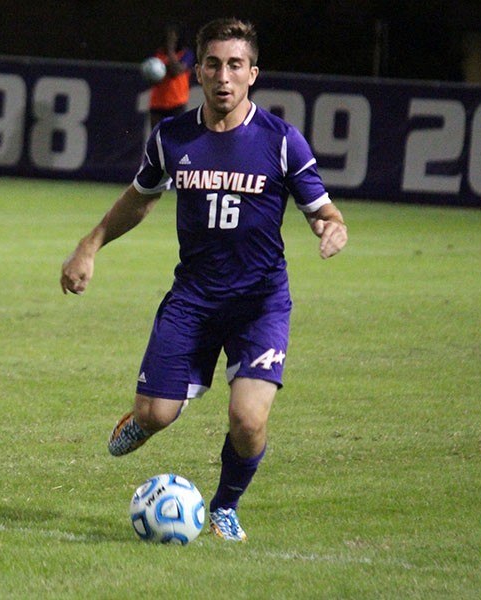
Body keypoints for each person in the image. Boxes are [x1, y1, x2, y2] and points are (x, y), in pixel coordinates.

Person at [60, 18, 348, 542]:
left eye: (235, 65)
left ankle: (224, 507)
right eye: (213, 64)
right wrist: (90, 245)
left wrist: (332, 229)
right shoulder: (173, 137)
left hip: (260, 303)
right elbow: (140, 199)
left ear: (252, 73)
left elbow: (324, 211)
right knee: (157, 414)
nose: (223, 76)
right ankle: (143, 418)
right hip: (192, 300)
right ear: (198, 72)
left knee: (248, 421)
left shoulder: (281, 142)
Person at [147, 23, 196, 129]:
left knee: (175, 138)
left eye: (173, 37)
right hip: (157, 104)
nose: (169, 39)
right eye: (167, 37)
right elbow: (152, 80)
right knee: (156, 138)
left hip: (177, 103)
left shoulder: (186, 54)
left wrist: (170, 49)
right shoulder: (157, 54)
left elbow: (176, 71)